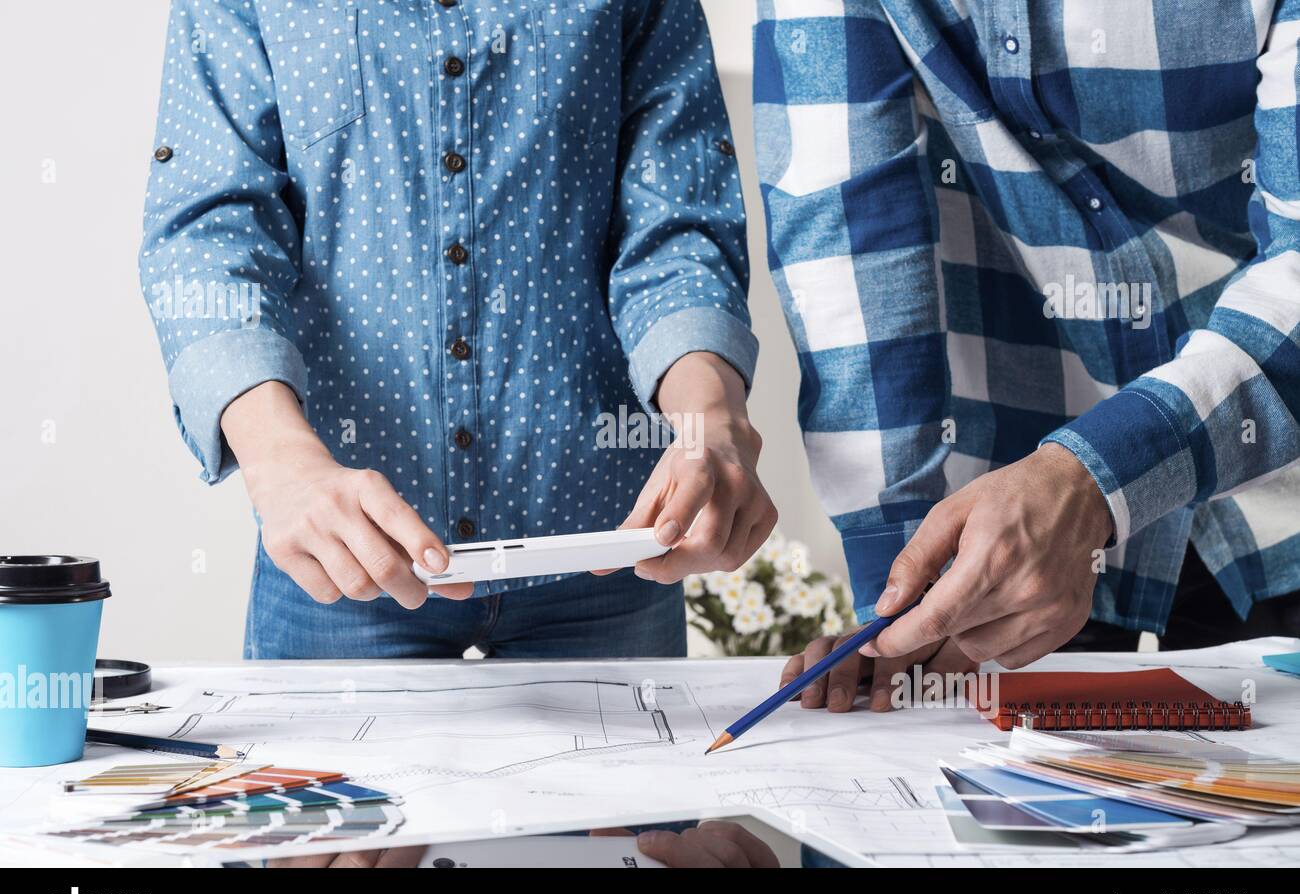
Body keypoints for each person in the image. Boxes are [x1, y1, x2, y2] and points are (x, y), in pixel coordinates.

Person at [140, 0, 775, 659]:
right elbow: (208, 236)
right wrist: (281, 464)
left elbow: (677, 223)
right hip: (344, 566)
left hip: (609, 557)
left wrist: (712, 423)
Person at [755, 0, 1300, 709]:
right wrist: (901, 574)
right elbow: (844, 223)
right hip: (1009, 533)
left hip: (1277, 492)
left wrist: (1092, 479)